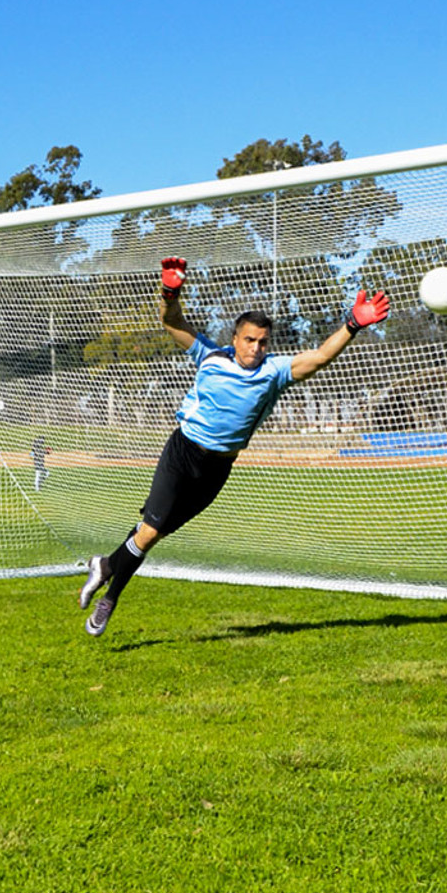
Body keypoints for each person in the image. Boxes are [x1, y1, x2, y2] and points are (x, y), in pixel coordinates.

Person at [78, 256, 390, 636]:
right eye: (249, 340)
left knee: (154, 534)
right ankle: (110, 598)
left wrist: (352, 324)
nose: (256, 348)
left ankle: (106, 566)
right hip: (182, 453)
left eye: (262, 342)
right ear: (235, 339)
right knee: (148, 531)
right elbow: (172, 322)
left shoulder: (275, 371)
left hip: (218, 469)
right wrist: (170, 293)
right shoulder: (210, 355)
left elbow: (321, 357)